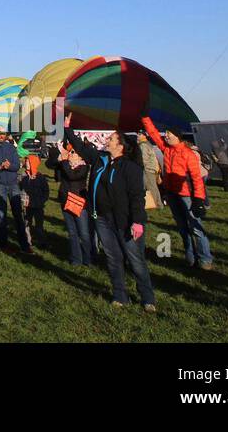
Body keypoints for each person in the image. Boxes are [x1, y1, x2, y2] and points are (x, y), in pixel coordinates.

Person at [67, 115, 155, 310]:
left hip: (126, 221)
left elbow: (136, 197)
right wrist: (67, 128)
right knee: (113, 258)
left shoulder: (131, 168)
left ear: (121, 146)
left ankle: (147, 297)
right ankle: (119, 295)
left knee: (135, 260)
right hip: (103, 219)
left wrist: (138, 221)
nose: (108, 140)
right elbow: (80, 148)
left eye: (112, 139)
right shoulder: (100, 160)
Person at [141, 116, 212, 270]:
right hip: (172, 193)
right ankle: (190, 255)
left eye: (169, 133)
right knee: (181, 226)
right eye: (166, 133)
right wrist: (145, 117)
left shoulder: (188, 154)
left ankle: (205, 258)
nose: (166, 135)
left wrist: (199, 199)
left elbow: (196, 179)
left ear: (177, 136)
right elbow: (153, 134)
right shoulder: (167, 150)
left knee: (195, 226)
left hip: (186, 194)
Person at [54, 139, 93, 266]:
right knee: (72, 232)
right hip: (65, 200)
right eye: (70, 151)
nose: (71, 154)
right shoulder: (65, 165)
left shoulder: (83, 167)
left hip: (78, 202)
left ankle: (88, 258)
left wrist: (65, 162)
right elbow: (52, 166)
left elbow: (72, 176)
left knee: (84, 233)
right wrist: (59, 158)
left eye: (73, 152)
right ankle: (76, 258)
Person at [19, 156, 49, 246]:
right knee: (26, 224)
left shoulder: (40, 177)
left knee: (39, 226)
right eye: (26, 162)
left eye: (29, 162)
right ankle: (27, 241)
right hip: (26, 205)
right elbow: (18, 189)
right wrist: (22, 200)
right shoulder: (22, 175)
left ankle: (42, 242)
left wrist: (42, 201)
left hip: (38, 205)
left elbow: (46, 191)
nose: (27, 164)